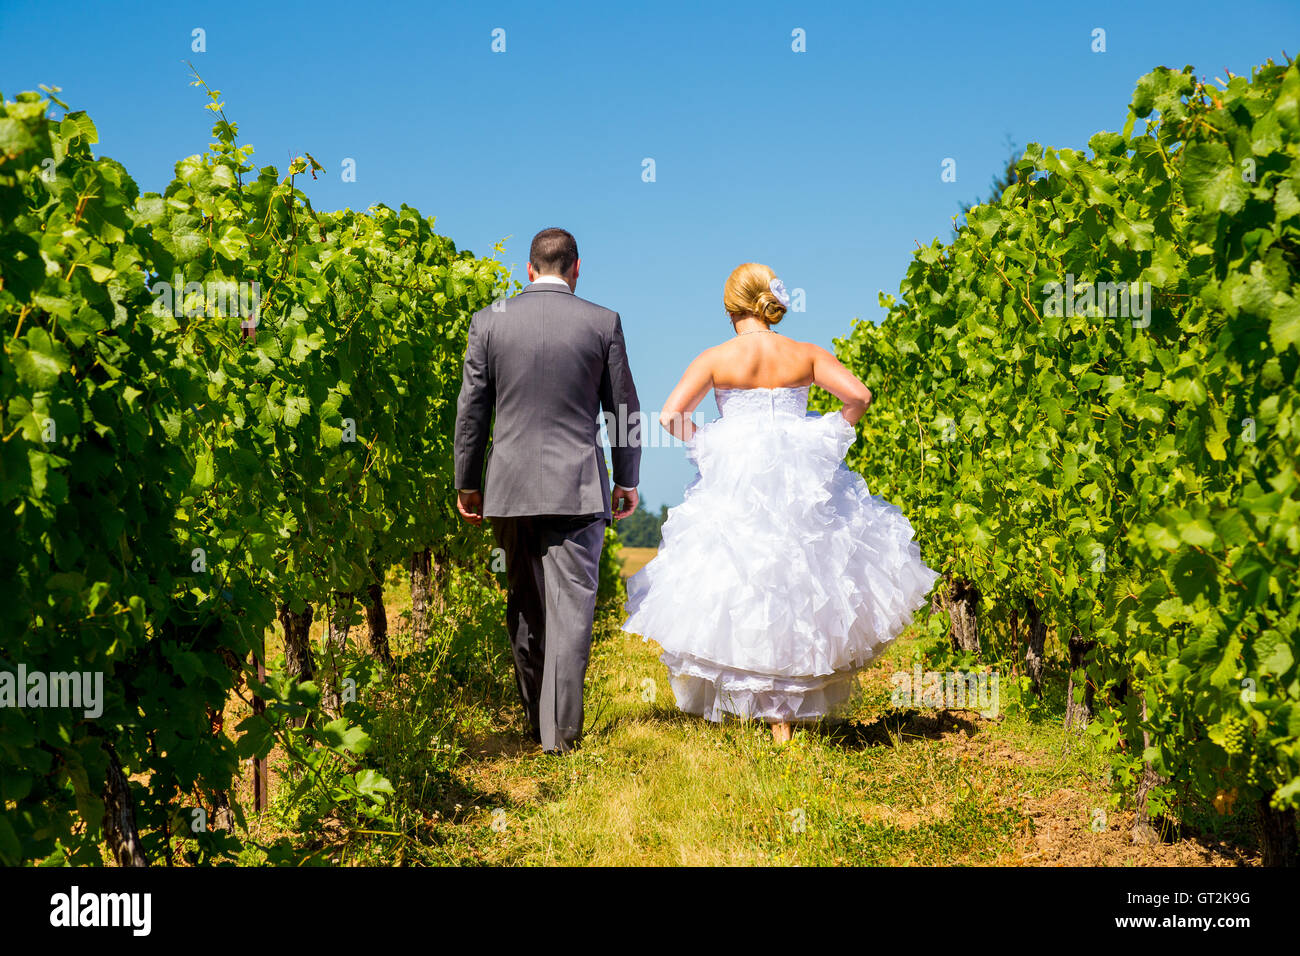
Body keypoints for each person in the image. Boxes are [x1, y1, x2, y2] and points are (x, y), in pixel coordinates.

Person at [622, 262, 939, 743]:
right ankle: (784, 713)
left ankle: (765, 711)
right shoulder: (805, 353)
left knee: (745, 578)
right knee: (804, 579)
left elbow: (671, 415)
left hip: (740, 476)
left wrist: (707, 446)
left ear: (731, 306)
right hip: (799, 474)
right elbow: (859, 395)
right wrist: (832, 433)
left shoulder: (715, 357)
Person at [454, 227, 641, 754]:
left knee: (524, 605)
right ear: (577, 268)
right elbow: (623, 410)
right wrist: (627, 478)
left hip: (509, 489)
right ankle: (557, 736)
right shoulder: (602, 322)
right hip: (577, 487)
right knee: (571, 609)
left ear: (529, 270)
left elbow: (472, 411)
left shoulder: (488, 322)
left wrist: (468, 481)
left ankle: (533, 723)